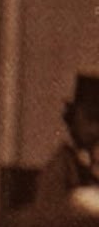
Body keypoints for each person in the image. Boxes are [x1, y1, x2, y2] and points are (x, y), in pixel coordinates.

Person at [33, 73, 99, 208]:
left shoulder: (93, 161)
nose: (95, 129)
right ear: (72, 119)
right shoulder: (61, 166)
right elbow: (47, 217)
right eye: (90, 119)